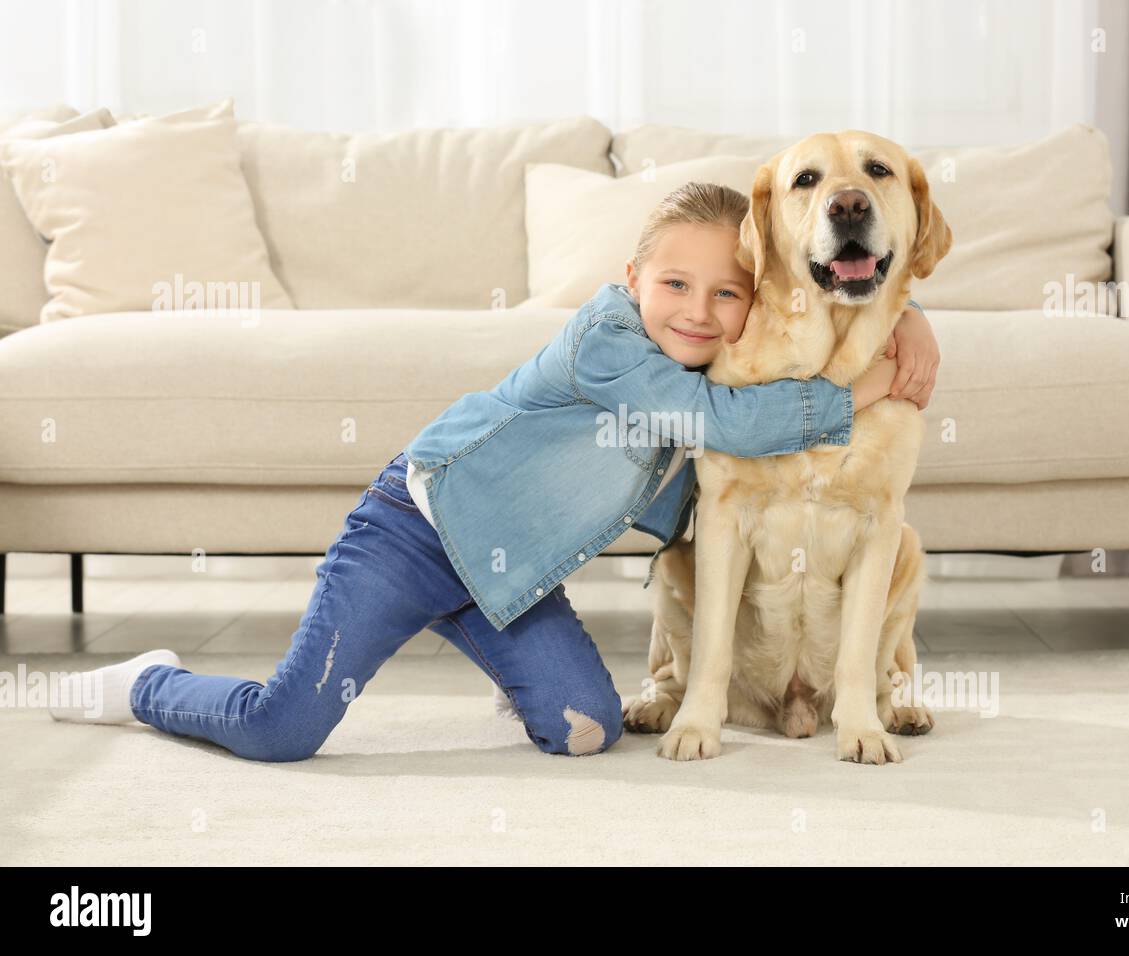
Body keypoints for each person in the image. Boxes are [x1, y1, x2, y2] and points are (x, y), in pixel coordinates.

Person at [47, 181, 941, 761]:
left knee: (583, 729)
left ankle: (495, 650)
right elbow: (728, 424)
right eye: (674, 284)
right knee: (284, 729)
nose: (698, 312)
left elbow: (821, 302)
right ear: (630, 277)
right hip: (416, 529)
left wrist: (906, 320)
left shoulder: (718, 356)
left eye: (725, 294)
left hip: (503, 576)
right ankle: (146, 684)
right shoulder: (609, 341)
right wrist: (869, 387)